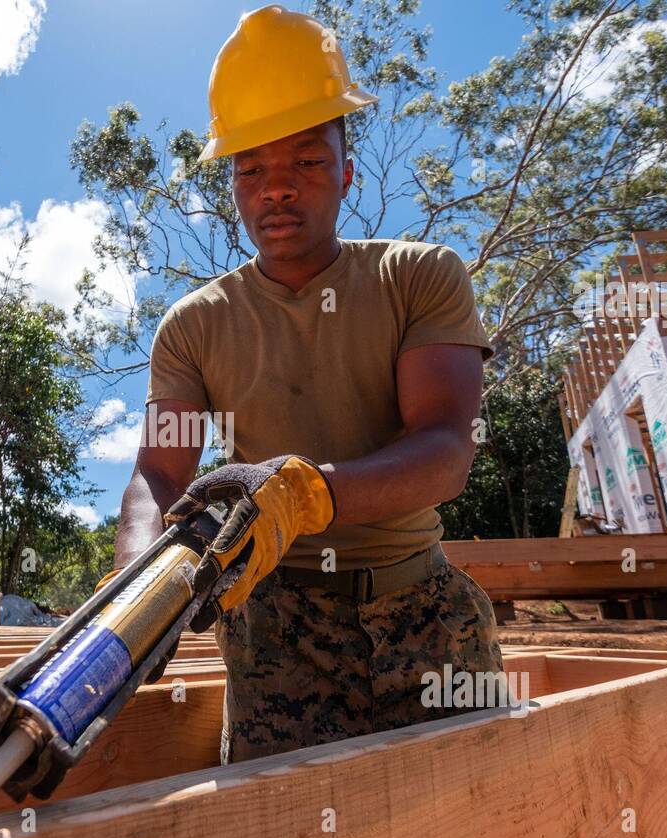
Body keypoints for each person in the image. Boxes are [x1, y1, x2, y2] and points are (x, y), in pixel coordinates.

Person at [106, 4, 504, 764]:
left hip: (427, 618)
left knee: (487, 817)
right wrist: (135, 586)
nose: (277, 189)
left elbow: (446, 449)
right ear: (232, 187)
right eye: (251, 168)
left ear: (347, 170)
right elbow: (159, 476)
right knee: (282, 831)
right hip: (275, 639)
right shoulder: (194, 326)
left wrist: (303, 495)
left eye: (306, 162)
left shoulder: (417, 277)